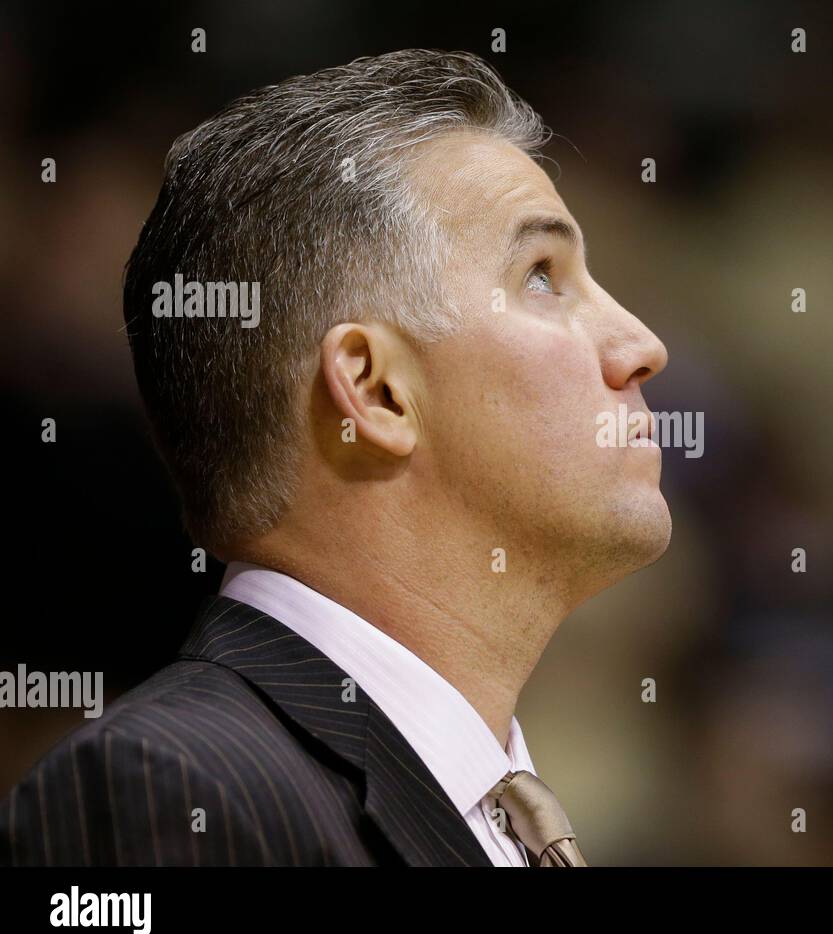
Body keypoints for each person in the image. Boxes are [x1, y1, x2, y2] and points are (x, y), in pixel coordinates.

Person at [0, 49, 669, 867]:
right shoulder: (170, 788)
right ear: (376, 390)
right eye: (540, 275)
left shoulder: (490, 806)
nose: (643, 346)